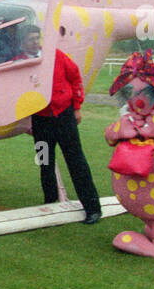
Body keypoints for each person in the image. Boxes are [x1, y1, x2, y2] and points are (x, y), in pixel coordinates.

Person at [27, 26, 103, 224]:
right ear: (23, 42)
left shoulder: (57, 56)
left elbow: (76, 80)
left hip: (64, 117)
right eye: (30, 39)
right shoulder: (24, 62)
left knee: (76, 161)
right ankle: (50, 202)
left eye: (37, 38)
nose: (35, 42)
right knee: (44, 162)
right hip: (40, 121)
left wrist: (77, 107)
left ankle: (92, 208)